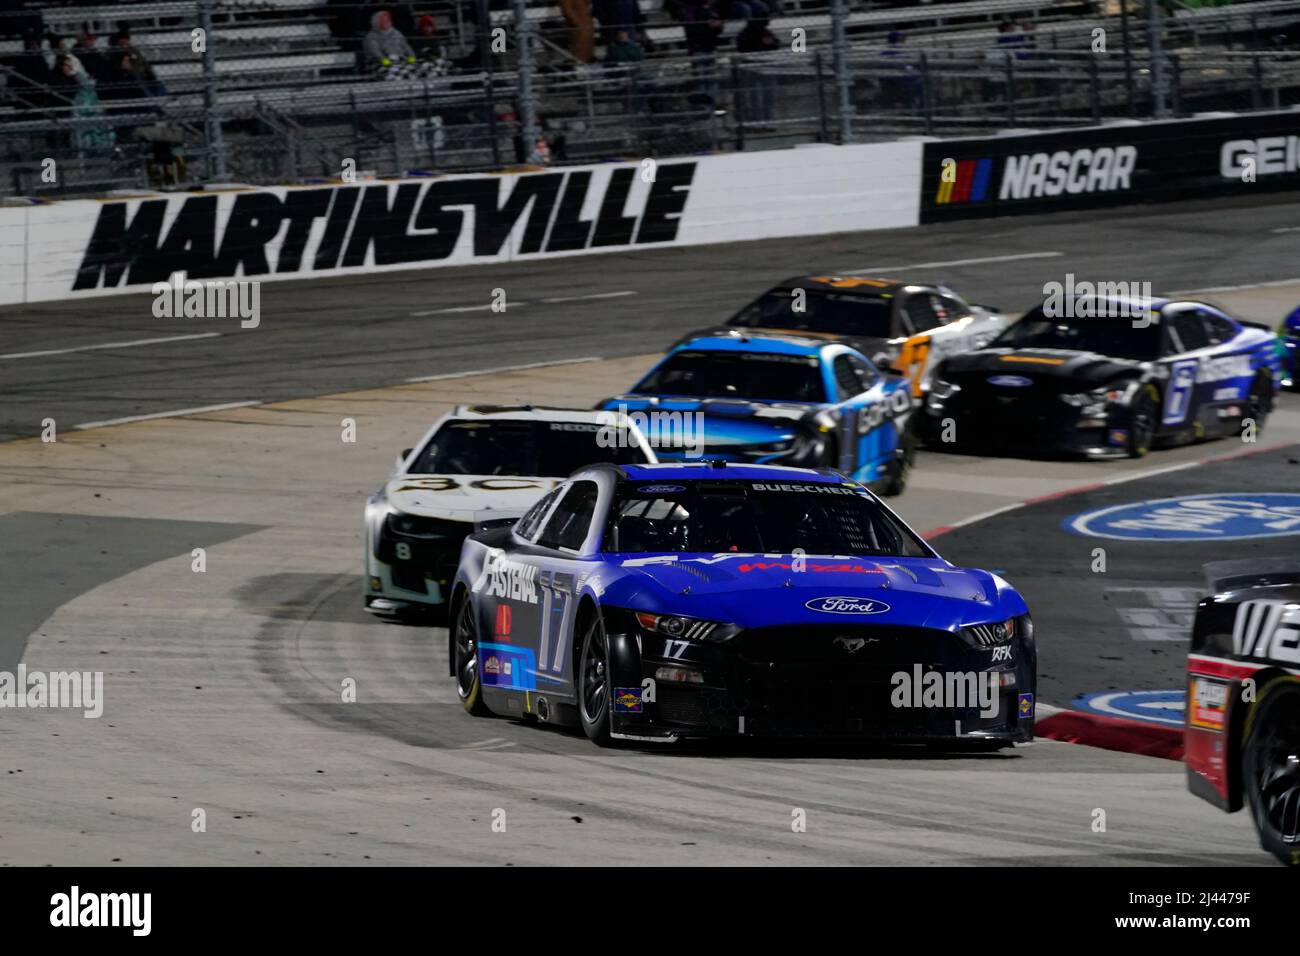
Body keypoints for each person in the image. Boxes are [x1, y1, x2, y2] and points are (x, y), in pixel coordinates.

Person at [735, 14, 776, 122]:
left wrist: (770, 43)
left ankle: (768, 119)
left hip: (765, 66)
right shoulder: (746, 33)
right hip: (752, 67)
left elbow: (775, 44)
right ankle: (757, 119)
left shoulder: (764, 31)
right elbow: (742, 48)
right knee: (754, 95)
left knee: (767, 94)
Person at [363, 10, 416, 75]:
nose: (386, 22)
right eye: (383, 20)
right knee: (395, 72)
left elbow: (405, 45)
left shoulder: (396, 33)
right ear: (377, 22)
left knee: (417, 69)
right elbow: (375, 52)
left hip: (400, 61)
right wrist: (384, 60)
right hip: (380, 63)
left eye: (387, 20)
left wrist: (411, 56)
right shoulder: (371, 36)